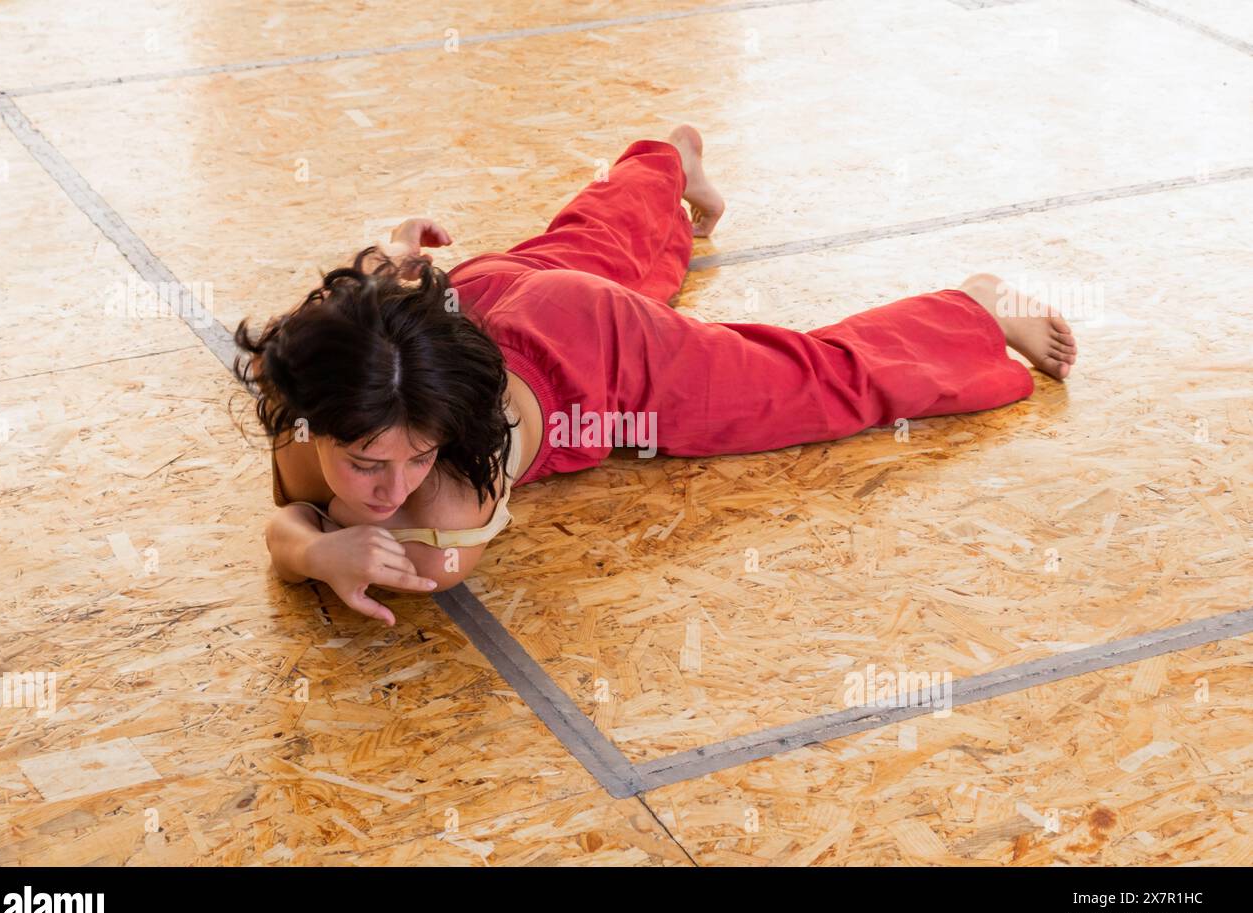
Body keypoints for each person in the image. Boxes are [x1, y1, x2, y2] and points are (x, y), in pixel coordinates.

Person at [232, 124, 1076, 624]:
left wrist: (313, 548)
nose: (391, 490)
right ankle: (669, 158)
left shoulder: (449, 516)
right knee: (598, 239)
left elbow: (295, 521)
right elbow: (293, 519)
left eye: (418, 455)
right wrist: (317, 550)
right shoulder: (320, 408)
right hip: (477, 304)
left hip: (596, 359)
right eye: (369, 465)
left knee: (809, 383)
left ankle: (975, 305)